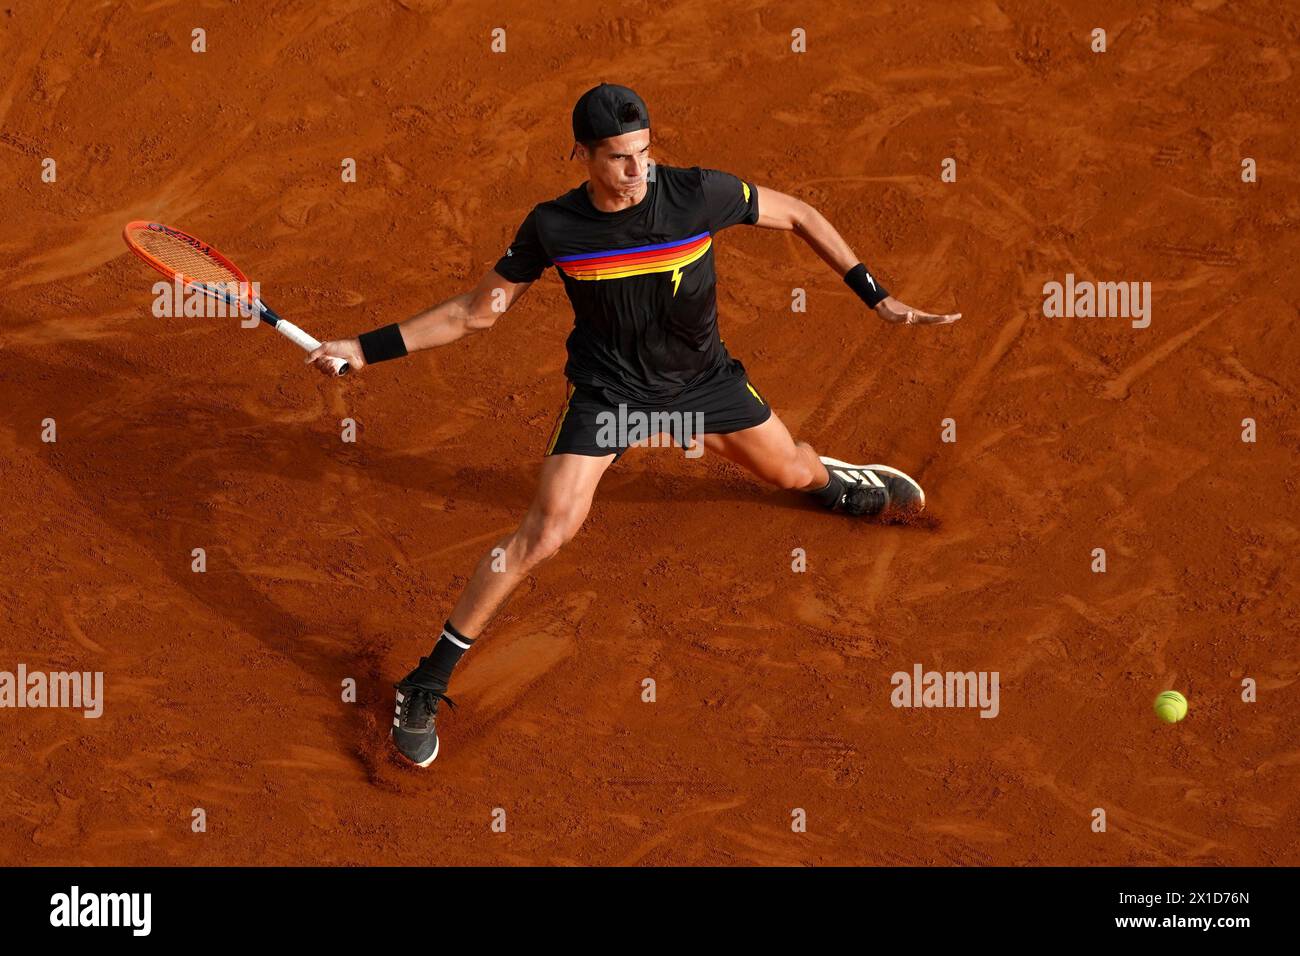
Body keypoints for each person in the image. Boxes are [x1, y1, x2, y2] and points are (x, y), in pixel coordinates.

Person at [307, 83, 961, 767]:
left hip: (705, 385)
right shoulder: (553, 227)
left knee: (791, 471)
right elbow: (476, 313)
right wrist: (362, 347)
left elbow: (797, 213)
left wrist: (875, 296)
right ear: (582, 154)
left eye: (644, 154)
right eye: (618, 159)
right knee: (545, 531)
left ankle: (834, 480)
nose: (635, 173)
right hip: (612, 397)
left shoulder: (694, 194)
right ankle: (426, 680)